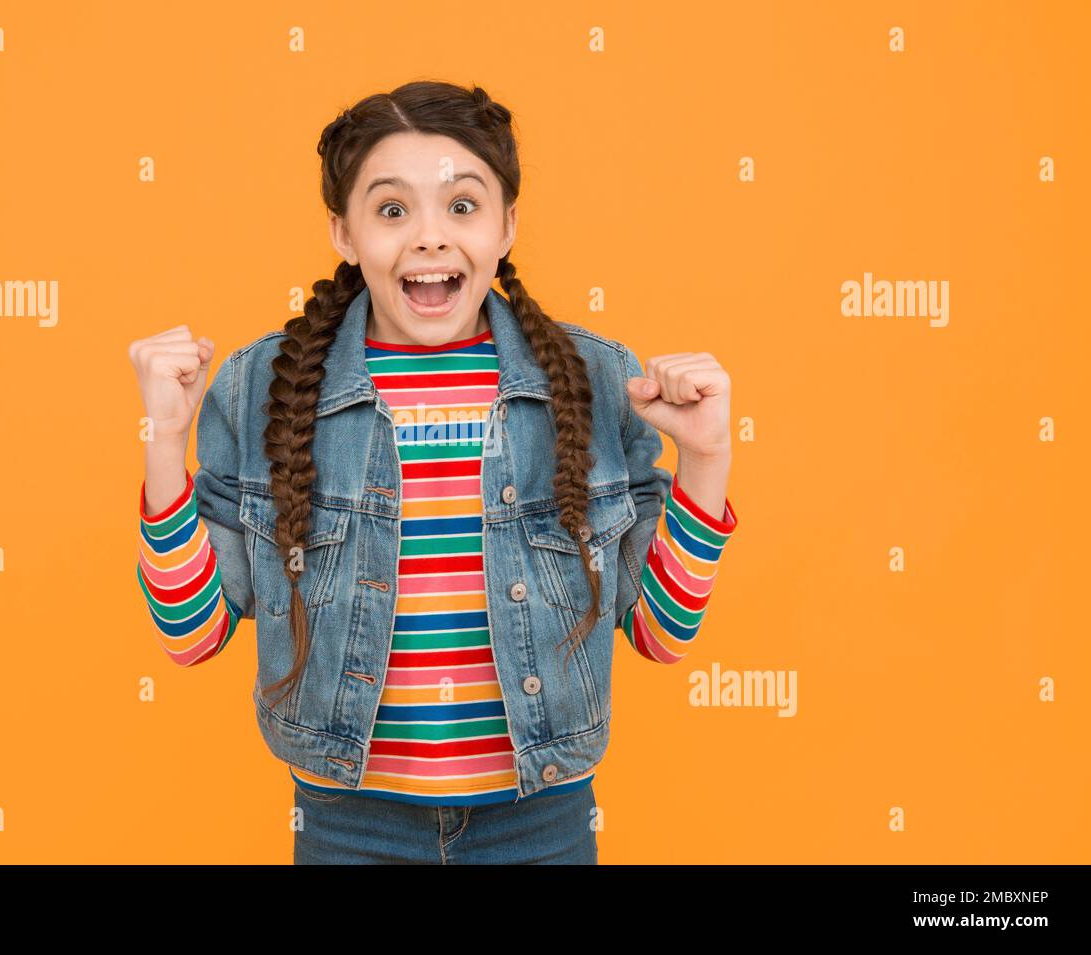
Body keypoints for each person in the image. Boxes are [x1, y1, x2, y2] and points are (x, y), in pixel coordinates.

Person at [128, 80, 738, 864]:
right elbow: (191, 633)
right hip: (350, 824)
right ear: (342, 232)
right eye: (391, 209)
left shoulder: (594, 378)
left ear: (508, 225)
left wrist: (706, 459)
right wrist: (163, 441)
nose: (428, 237)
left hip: (542, 823)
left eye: (461, 205)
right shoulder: (262, 386)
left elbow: (662, 633)